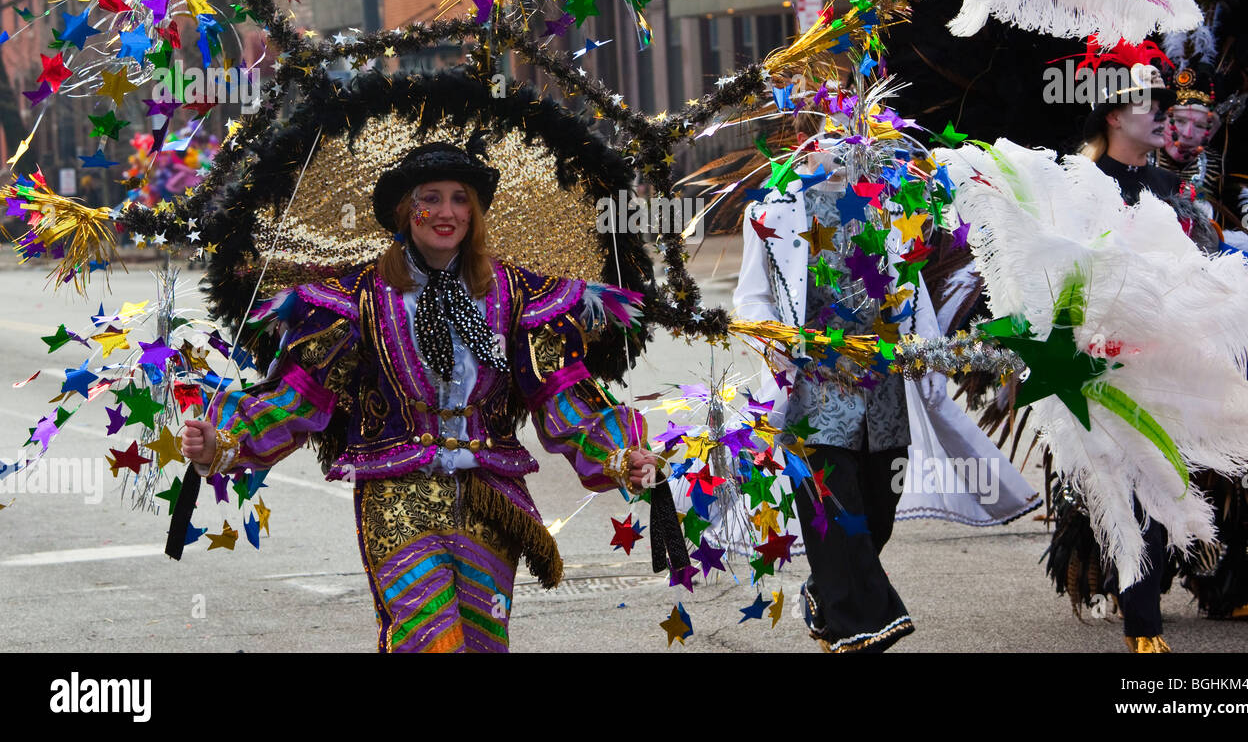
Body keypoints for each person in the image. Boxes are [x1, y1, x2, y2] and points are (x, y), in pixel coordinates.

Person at [181, 141, 657, 652]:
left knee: (483, 641)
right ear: (406, 209)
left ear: (474, 211)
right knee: (428, 640)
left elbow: (562, 394)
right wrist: (224, 441)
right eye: (431, 197)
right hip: (395, 495)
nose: (446, 212)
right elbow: (300, 396)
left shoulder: (518, 294)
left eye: (460, 198)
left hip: (489, 499)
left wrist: (618, 454)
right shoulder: (357, 297)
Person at [734, 124, 1040, 653]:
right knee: (835, 504)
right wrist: (780, 340)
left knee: (879, 509)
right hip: (814, 383)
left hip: (883, 382)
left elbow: (912, 292)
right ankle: (864, 624)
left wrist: (931, 356)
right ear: (809, 147)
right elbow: (751, 297)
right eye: (830, 138)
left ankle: (826, 592)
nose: (842, 150)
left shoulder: (891, 208)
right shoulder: (771, 212)